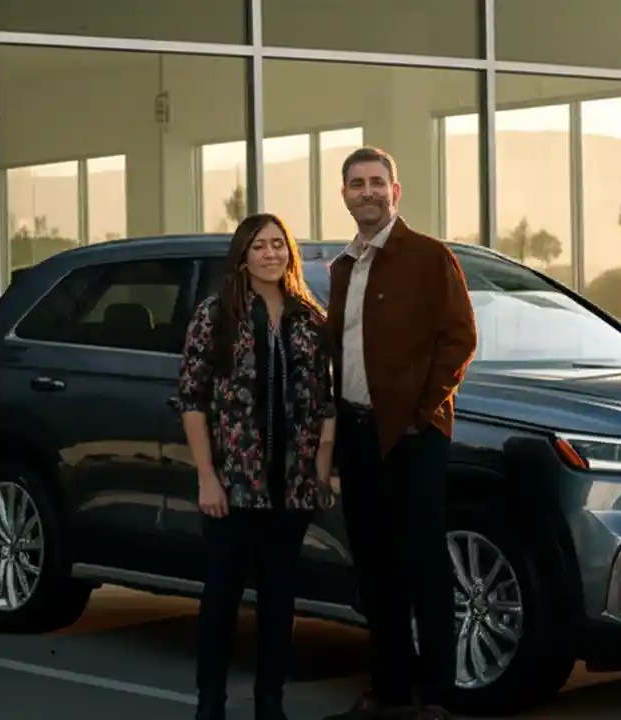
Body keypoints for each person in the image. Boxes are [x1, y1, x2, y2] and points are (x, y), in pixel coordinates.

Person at [324, 147, 477, 720]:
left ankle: (435, 697)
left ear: (396, 190)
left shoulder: (428, 256)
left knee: (423, 566)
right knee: (374, 566)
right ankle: (388, 692)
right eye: (356, 184)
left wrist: (419, 413)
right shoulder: (343, 267)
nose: (367, 192)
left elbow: (459, 339)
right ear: (344, 195)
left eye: (376, 182)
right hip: (358, 434)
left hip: (414, 437)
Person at [173, 213, 338, 720]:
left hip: (291, 490)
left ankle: (271, 703)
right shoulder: (216, 314)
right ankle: (211, 703)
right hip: (232, 486)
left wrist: (325, 471)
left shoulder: (311, 317)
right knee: (221, 600)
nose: (270, 254)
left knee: (278, 603)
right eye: (258, 245)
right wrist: (206, 477)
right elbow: (192, 400)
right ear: (242, 255)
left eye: (278, 244)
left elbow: (326, 404)